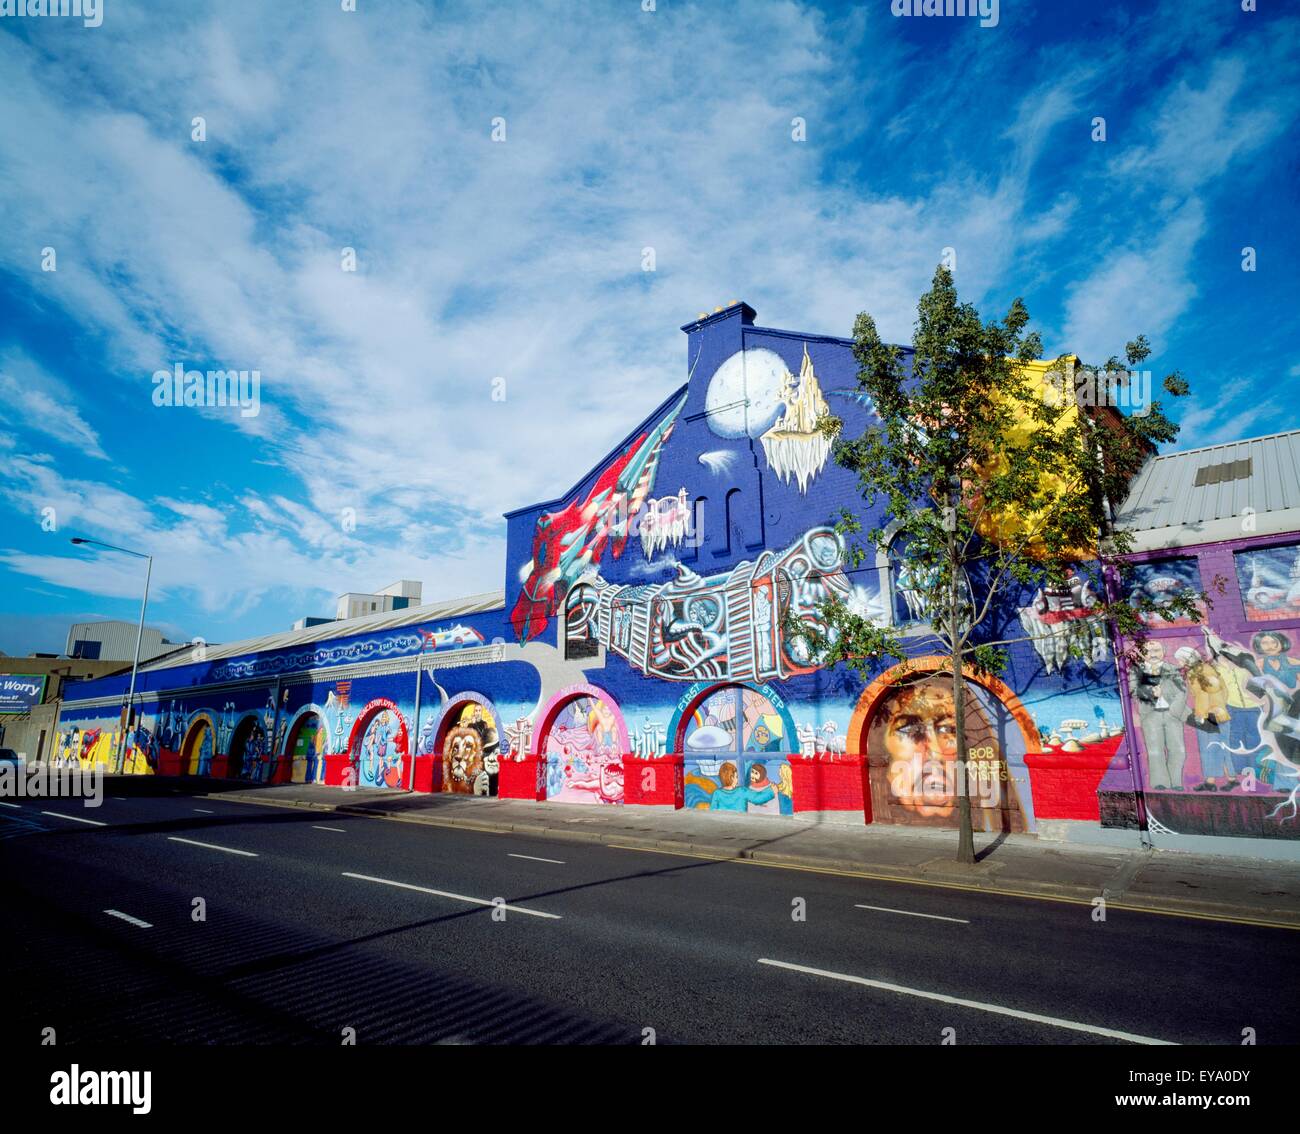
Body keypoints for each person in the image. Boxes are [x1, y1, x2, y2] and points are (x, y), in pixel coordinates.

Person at [1128, 640, 1190, 790]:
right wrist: (1150, 693)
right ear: (1143, 654)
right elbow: (1132, 691)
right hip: (1150, 715)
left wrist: (1174, 711)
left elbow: (1182, 691)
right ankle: (1160, 782)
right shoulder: (1137, 671)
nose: (1153, 654)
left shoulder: (1172, 669)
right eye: (1149, 651)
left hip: (1172, 714)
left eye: (1157, 650)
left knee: (1178, 750)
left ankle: (1175, 782)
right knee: (1155, 750)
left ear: (1163, 652)